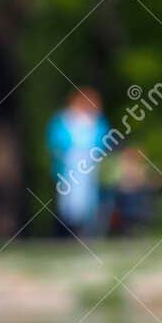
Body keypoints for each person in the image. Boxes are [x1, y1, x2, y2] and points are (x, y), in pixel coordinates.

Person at [46, 88, 110, 238]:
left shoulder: (97, 121)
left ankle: (86, 231)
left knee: (89, 197)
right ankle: (67, 230)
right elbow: (56, 141)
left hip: (90, 163)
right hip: (68, 165)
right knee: (67, 199)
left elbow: (103, 140)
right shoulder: (63, 119)